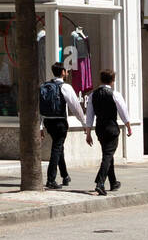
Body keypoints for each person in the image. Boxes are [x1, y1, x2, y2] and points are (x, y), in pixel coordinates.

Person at [38, 61, 87, 189]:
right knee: (56, 148)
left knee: (59, 147)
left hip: (48, 121)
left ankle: (65, 176)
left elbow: (39, 108)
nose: (67, 73)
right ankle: (51, 179)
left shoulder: (45, 86)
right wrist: (83, 123)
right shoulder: (66, 87)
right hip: (59, 122)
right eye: (66, 71)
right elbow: (76, 107)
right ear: (63, 72)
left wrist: (40, 126)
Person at [84, 69, 132, 195]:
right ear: (112, 80)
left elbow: (89, 116)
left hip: (100, 129)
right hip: (111, 128)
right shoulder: (114, 94)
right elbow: (123, 111)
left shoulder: (92, 95)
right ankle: (100, 183)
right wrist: (128, 125)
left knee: (107, 153)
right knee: (108, 155)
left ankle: (113, 182)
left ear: (101, 79)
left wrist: (88, 132)